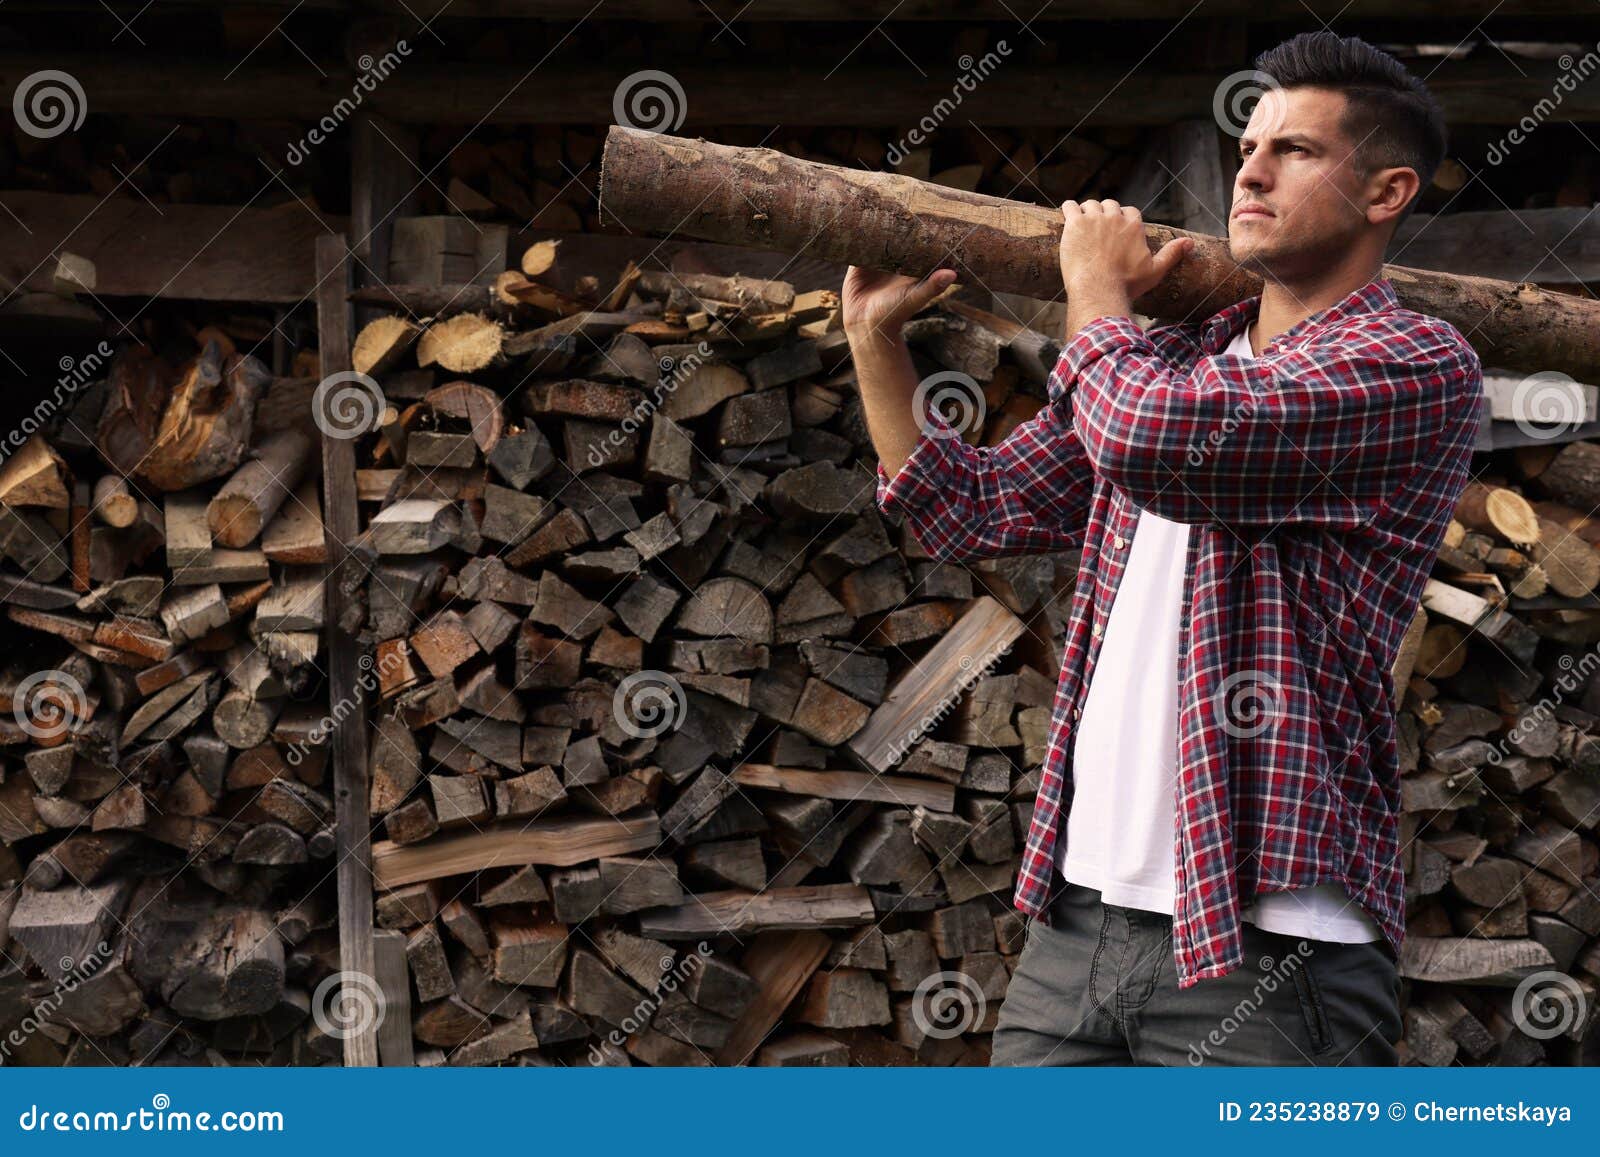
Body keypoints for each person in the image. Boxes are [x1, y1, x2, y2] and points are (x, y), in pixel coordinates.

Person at [843, 30, 1482, 1065]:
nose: (1253, 170)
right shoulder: (1172, 356)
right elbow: (973, 511)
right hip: (1077, 925)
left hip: (1275, 950)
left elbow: (1152, 439)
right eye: (1247, 147)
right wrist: (874, 342)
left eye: (1297, 151)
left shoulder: (1410, 364)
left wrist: (1094, 288)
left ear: (1386, 191)